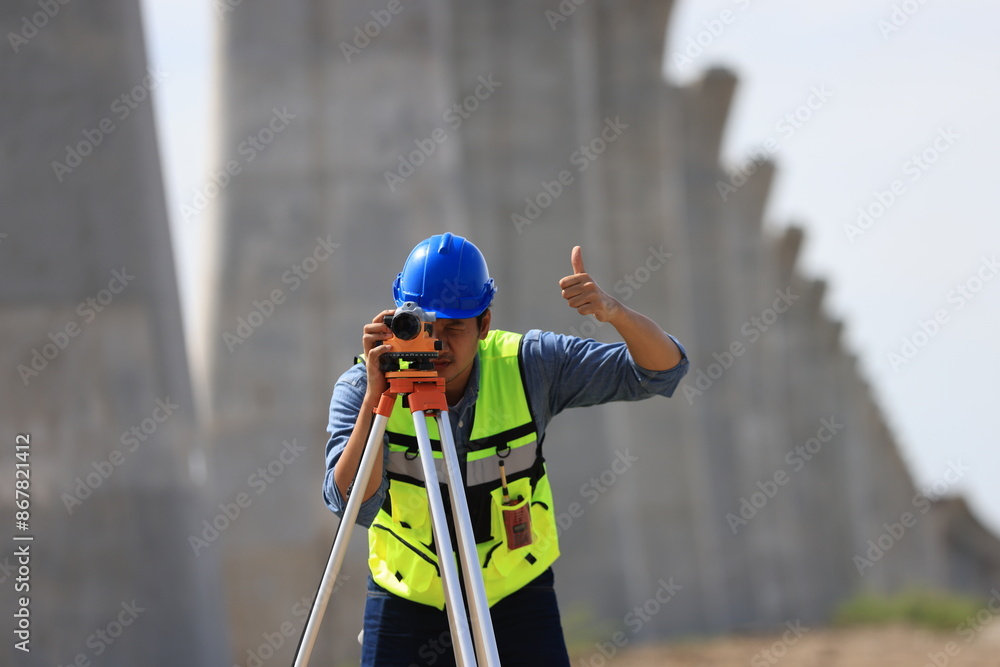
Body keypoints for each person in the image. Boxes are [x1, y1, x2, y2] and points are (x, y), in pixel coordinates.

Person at [324, 232, 689, 666]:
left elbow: (662, 371)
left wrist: (615, 313)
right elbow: (349, 507)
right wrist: (376, 400)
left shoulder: (529, 364)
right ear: (398, 319)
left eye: (454, 327)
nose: (437, 344)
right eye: (425, 326)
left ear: (484, 324)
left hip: (514, 595)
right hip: (408, 597)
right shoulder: (363, 388)